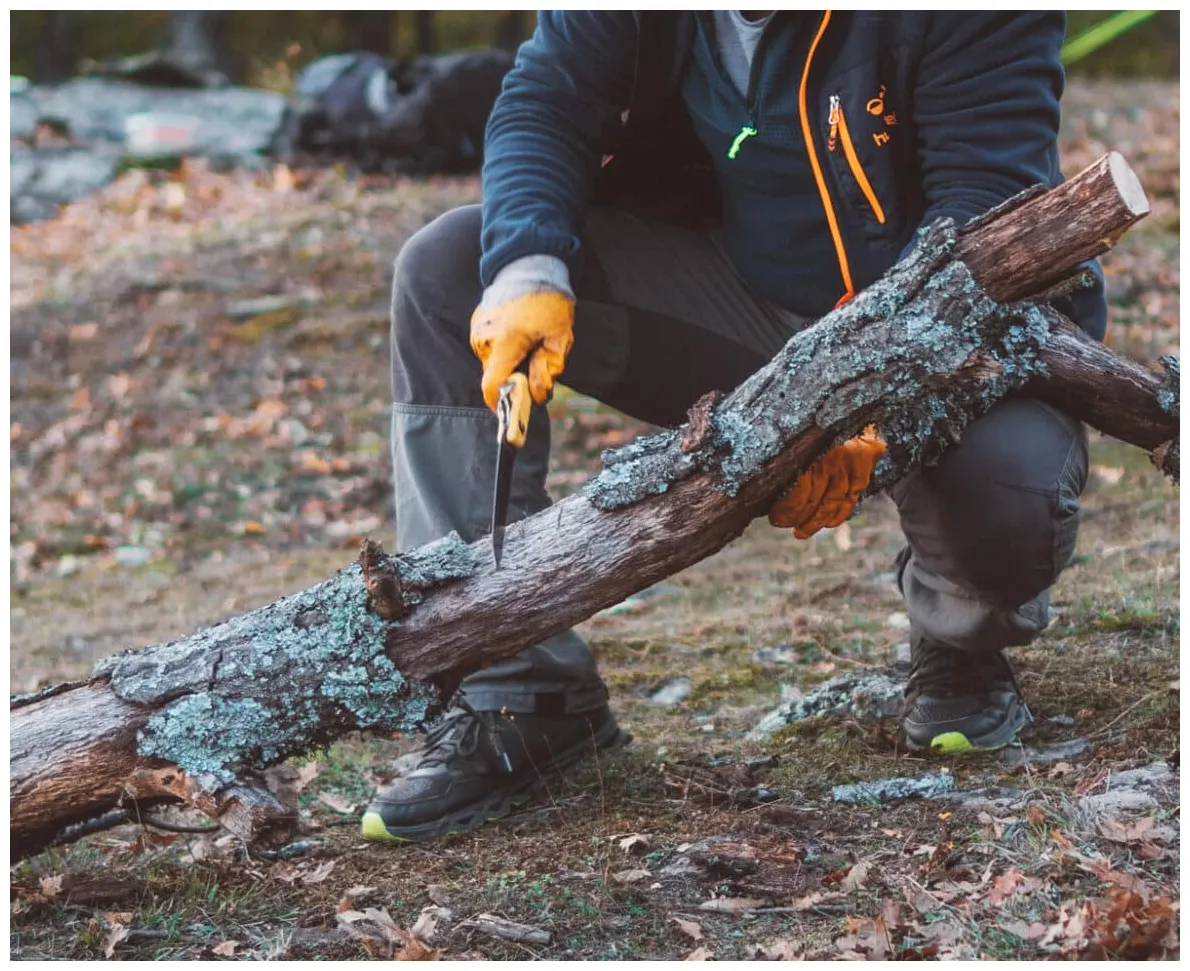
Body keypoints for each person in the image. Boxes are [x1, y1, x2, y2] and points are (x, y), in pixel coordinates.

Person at [359, 11, 1105, 844]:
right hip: (744, 299)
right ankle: (518, 694)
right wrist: (525, 267)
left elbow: (984, 218)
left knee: (1006, 495)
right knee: (447, 273)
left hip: (960, 328)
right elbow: (547, 99)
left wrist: (862, 394)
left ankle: (959, 637)